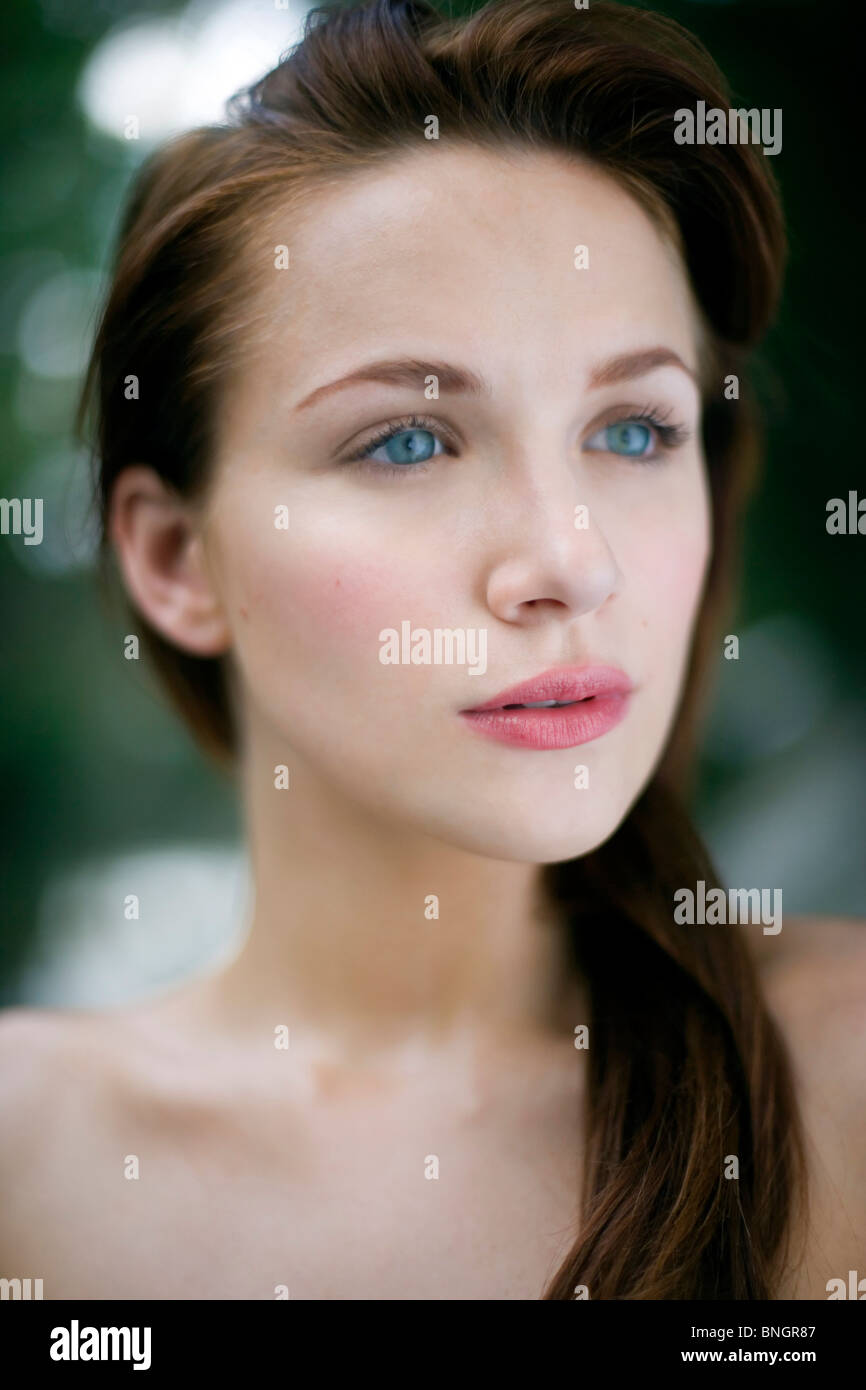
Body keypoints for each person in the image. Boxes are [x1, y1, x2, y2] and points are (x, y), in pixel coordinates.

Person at [1, 0, 863, 1300]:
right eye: (405, 441)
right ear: (177, 560)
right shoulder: (29, 1162)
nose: (572, 561)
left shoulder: (842, 1073)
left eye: (633, 429)